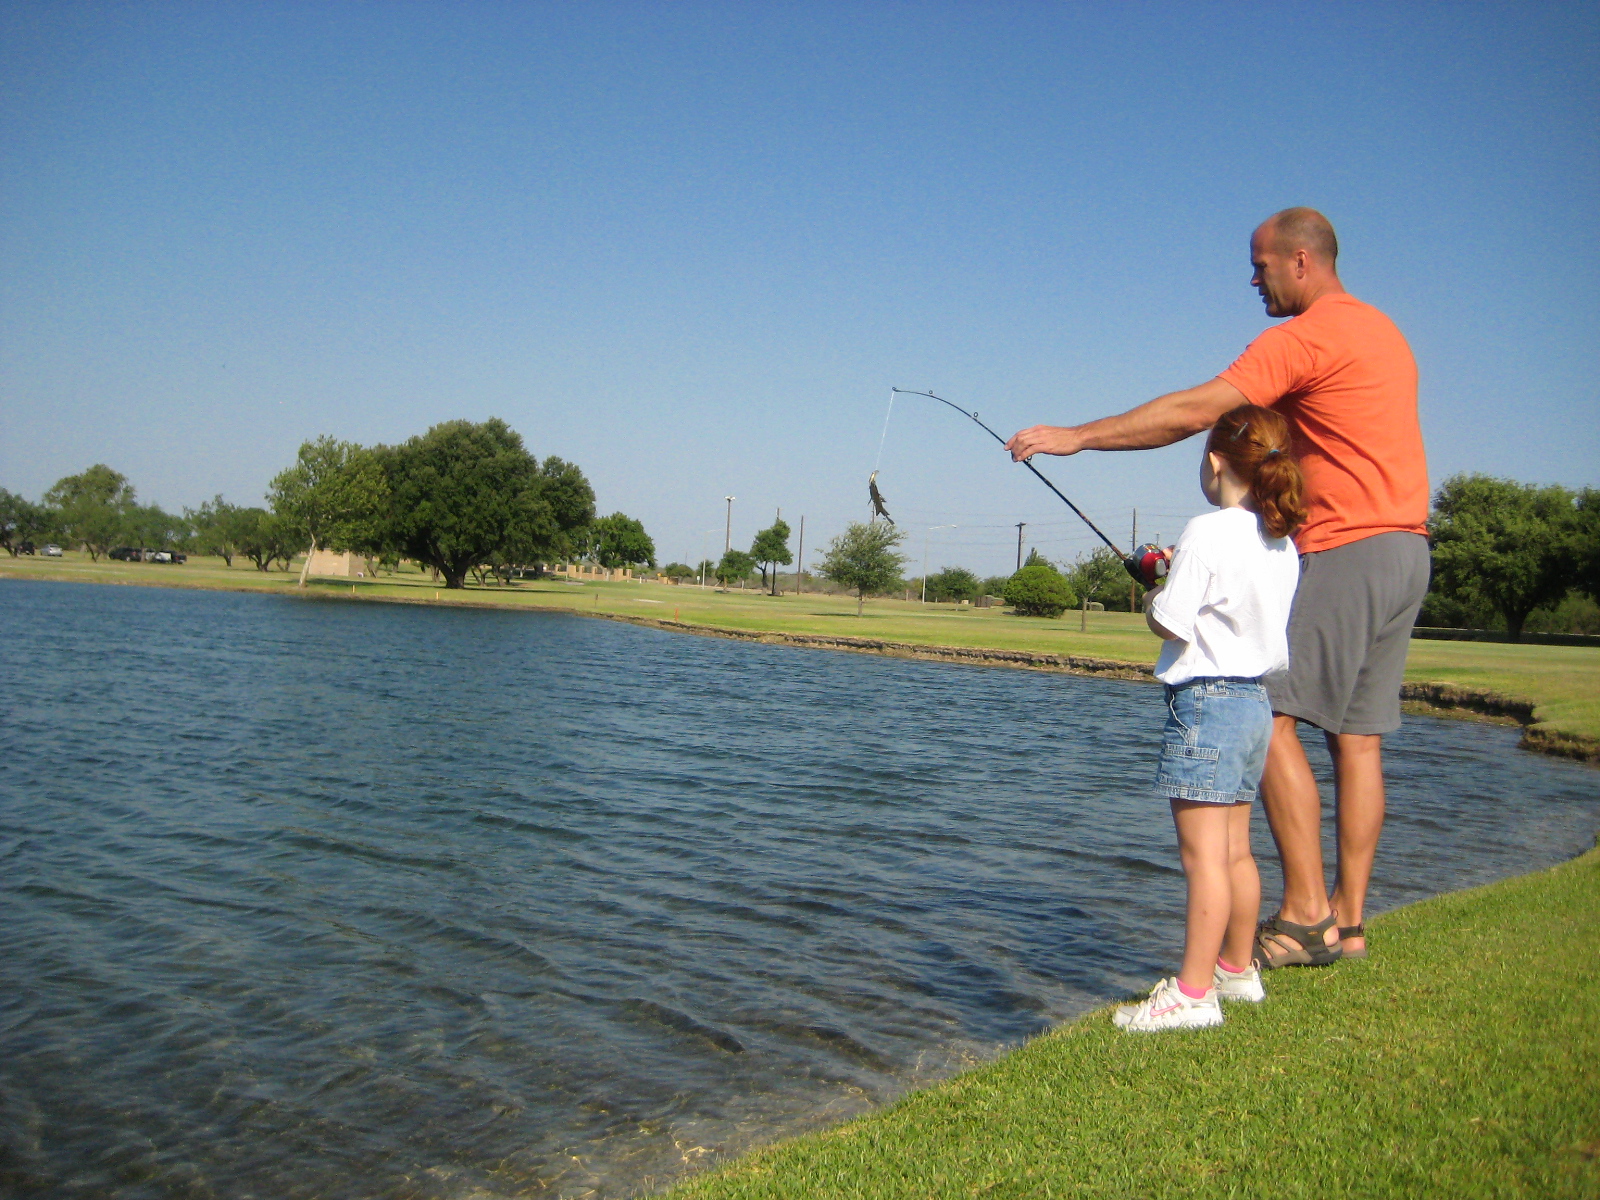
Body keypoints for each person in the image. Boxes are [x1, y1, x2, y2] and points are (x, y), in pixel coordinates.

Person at [1007, 207, 1430, 969]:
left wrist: (1076, 437)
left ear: (1302, 261)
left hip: (1346, 545)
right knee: (1358, 741)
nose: (1252, 279)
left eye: (1260, 265)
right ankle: (1349, 921)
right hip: (1407, 547)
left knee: (1272, 721)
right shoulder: (1384, 332)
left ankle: (1304, 918)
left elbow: (1202, 411)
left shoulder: (1307, 335)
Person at [1113, 405, 1304, 1031]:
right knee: (1236, 854)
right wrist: (1174, 575)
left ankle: (1192, 996)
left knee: (1203, 860)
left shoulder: (1207, 530)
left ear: (1216, 461)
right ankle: (1236, 970)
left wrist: (1151, 591)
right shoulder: (1280, 542)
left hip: (1206, 704)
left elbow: (1171, 620)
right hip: (1253, 706)